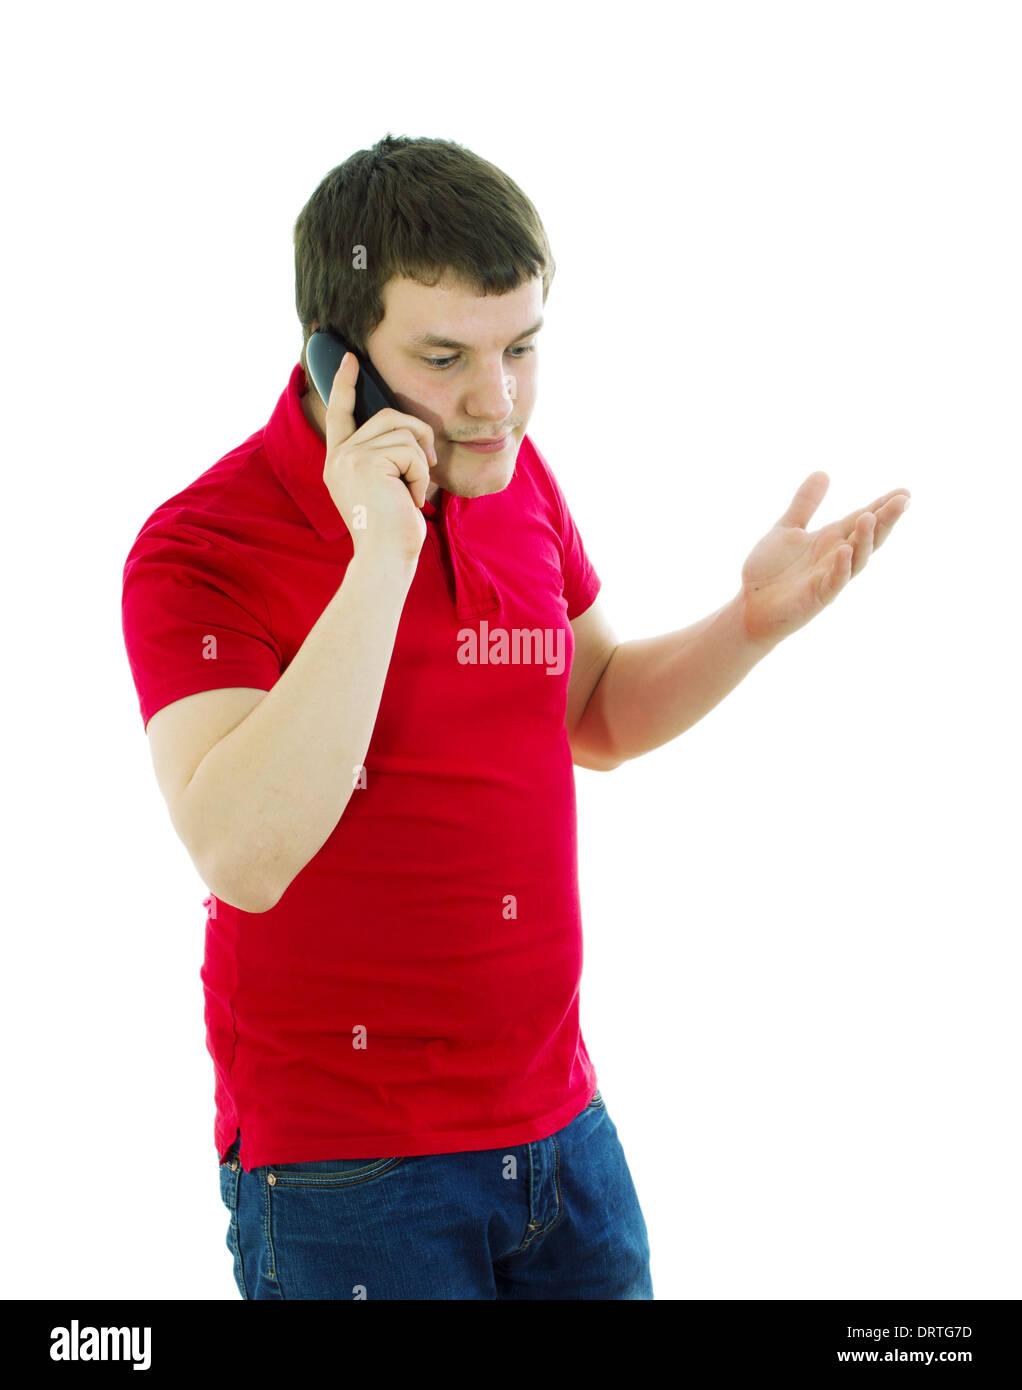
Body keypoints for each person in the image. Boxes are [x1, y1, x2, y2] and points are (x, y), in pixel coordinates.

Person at [121, 134, 910, 1301]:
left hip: (560, 1131)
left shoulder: (513, 475)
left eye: (522, 349)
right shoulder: (202, 548)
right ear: (335, 355)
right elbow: (244, 853)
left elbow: (590, 709)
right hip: (348, 1174)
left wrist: (746, 625)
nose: (498, 405)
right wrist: (379, 552)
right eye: (445, 358)